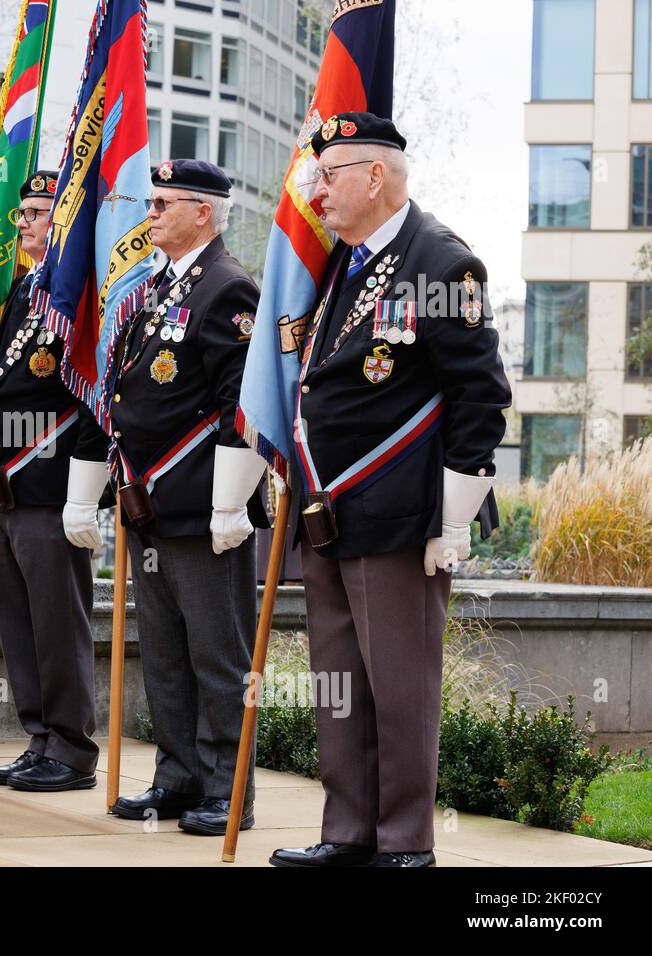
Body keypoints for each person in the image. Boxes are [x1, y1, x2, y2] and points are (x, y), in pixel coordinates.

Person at [269, 114, 511, 868]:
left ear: (376, 176)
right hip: (331, 514)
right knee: (338, 683)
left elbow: (479, 396)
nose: (316, 191)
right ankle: (348, 832)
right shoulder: (343, 264)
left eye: (329, 174)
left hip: (404, 518)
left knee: (400, 687)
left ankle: (406, 842)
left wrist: (455, 517)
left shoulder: (441, 265)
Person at [106, 159, 268, 836]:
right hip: (152, 506)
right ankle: (176, 777)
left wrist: (231, 504)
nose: (151, 213)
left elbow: (242, 406)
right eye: (151, 202)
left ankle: (228, 792)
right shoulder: (155, 288)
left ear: (204, 212)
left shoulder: (228, 289)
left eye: (163, 203)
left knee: (218, 657)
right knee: (167, 654)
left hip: (205, 510)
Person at [0, 171, 108, 792]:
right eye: (22, 211)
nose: (23, 222)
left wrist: (84, 490)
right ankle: (40, 737)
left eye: (36, 213)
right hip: (5, 489)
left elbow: (90, 399)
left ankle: (73, 748)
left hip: (50, 487)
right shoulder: (26, 290)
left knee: (57, 622)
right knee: (19, 621)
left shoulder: (80, 295)